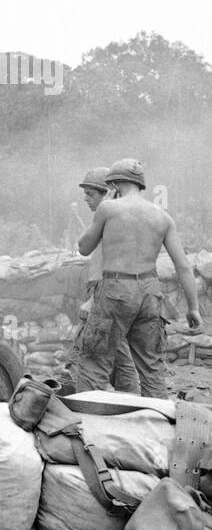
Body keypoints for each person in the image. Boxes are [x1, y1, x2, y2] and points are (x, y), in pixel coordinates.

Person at [76, 159, 202, 398]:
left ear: (114, 184)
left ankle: (89, 426)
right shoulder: (163, 217)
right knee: (151, 368)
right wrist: (193, 308)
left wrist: (105, 205)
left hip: (116, 289)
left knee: (95, 360)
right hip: (150, 292)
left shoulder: (108, 209)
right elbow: (183, 266)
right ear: (140, 184)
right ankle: (157, 426)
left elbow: (84, 247)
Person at [67, 167, 140, 393]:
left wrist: (94, 300)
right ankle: (132, 397)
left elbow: (105, 259)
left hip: (105, 293)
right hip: (107, 293)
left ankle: (114, 398)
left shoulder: (112, 220)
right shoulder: (111, 219)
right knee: (117, 348)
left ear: (107, 193)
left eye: (91, 194)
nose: (86, 199)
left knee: (94, 352)